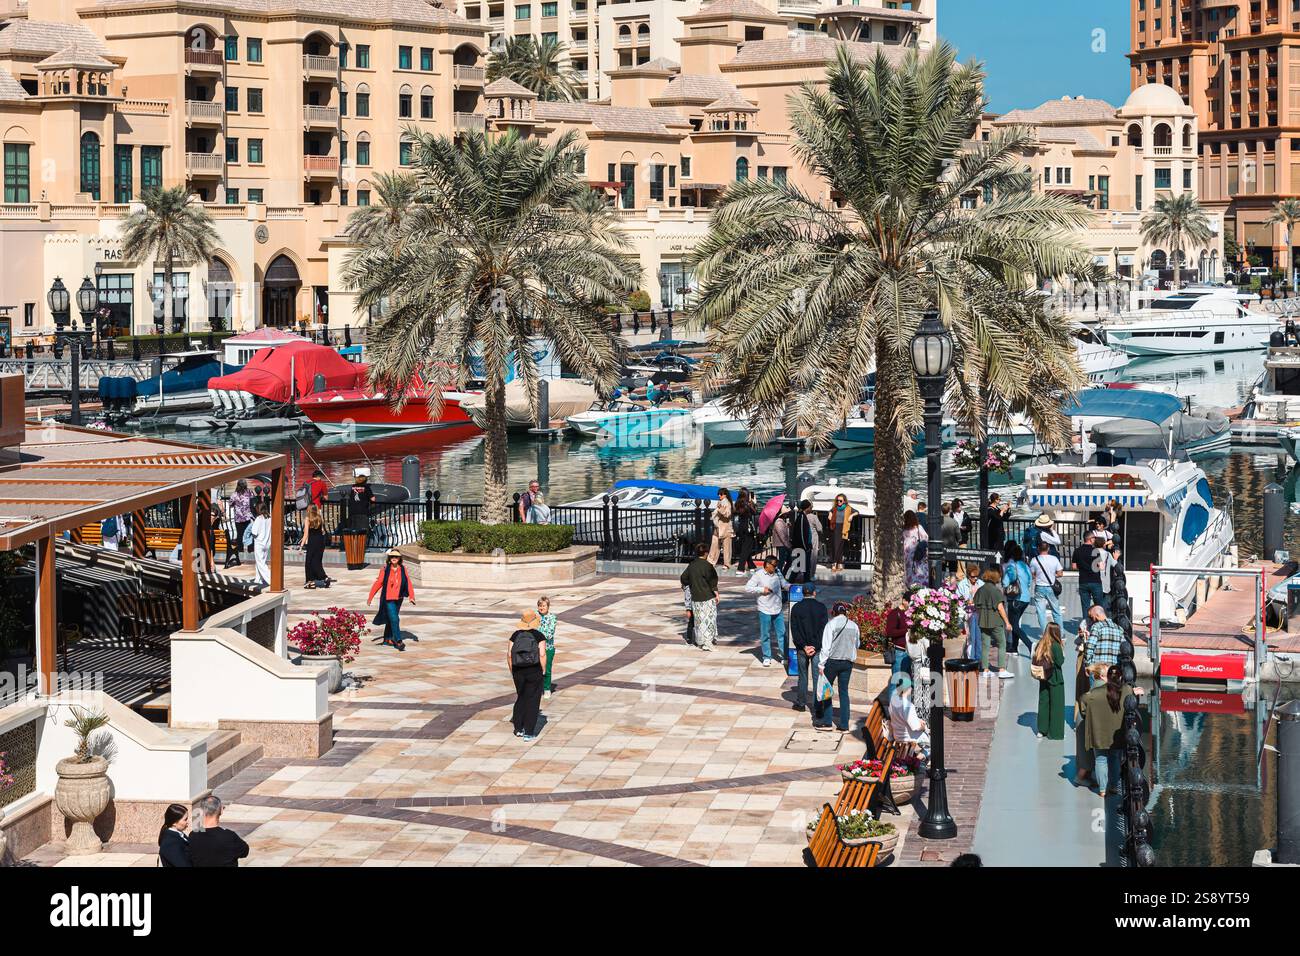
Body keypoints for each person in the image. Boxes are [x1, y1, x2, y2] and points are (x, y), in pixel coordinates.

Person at [1078, 664, 1134, 797]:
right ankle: (1114, 786)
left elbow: (1082, 701)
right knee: (1114, 758)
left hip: (1099, 733)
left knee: (1100, 759)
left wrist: (1088, 715)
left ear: (1107, 678)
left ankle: (1102, 789)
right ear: (1120, 677)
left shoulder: (1095, 693)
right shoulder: (1127, 690)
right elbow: (1131, 700)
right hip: (1117, 734)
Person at [816, 602, 860, 731]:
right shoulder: (854, 626)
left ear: (833, 613)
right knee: (844, 692)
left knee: (827, 690)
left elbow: (826, 647)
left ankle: (827, 721)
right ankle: (844, 724)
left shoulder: (831, 624)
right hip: (847, 662)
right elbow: (856, 644)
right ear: (845, 612)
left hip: (832, 662)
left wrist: (821, 664)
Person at [789, 581, 828, 716]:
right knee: (817, 677)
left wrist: (804, 646)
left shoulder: (796, 608)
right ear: (814, 593)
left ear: (802, 593)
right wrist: (815, 646)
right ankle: (818, 707)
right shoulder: (821, 607)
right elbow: (823, 630)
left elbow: (794, 630)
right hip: (816, 648)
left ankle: (801, 703)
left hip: (802, 648)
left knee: (803, 676)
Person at [745, 554, 790, 667]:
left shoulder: (778, 572)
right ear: (768, 564)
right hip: (764, 609)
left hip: (778, 608)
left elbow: (784, 584)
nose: (776, 567)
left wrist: (793, 588)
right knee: (765, 634)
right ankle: (767, 657)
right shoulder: (758, 575)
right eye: (774, 565)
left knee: (782, 634)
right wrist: (761, 590)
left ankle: (784, 656)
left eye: (777, 565)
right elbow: (747, 587)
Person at [508, 609, 547, 740]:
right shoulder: (539, 636)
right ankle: (529, 732)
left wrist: (512, 670)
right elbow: (542, 654)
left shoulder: (515, 635)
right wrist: (543, 670)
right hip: (534, 670)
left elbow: (509, 655)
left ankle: (518, 728)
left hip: (518, 670)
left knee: (521, 697)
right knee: (533, 700)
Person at [367, 548, 416, 651]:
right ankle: (398, 641)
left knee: (391, 618)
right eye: (392, 556)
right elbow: (378, 583)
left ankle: (387, 638)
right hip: (388, 599)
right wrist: (370, 597)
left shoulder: (402, 569)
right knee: (395, 619)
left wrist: (411, 596)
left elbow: (408, 583)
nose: (394, 558)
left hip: (399, 598)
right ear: (389, 558)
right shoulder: (385, 569)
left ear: (399, 558)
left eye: (396, 557)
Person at [187, 795, 249, 867]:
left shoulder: (193, 835)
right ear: (221, 811)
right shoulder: (229, 836)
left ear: (201, 812)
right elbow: (244, 852)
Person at [680, 542, 720, 652]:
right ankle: (708, 642)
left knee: (699, 621)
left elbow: (684, 578)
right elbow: (713, 581)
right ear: (706, 553)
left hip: (695, 598)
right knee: (709, 620)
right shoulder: (708, 566)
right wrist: (716, 593)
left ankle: (701, 642)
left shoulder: (692, 565)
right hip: (707, 597)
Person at [974, 567, 1013, 678]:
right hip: (995, 622)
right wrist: (1007, 623)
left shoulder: (980, 589)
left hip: (983, 621)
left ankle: (985, 670)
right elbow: (1000, 608)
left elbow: (976, 604)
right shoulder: (995, 591)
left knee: (985, 645)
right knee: (1002, 644)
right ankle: (1001, 669)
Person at [1033, 623, 1066, 740]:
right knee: (1057, 705)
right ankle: (1055, 732)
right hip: (1055, 677)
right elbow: (1060, 662)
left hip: (1043, 677)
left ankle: (1042, 730)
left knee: (1044, 702)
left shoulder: (1040, 644)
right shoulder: (1056, 645)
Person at [888, 674, 930, 757]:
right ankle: (918, 761)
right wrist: (923, 726)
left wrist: (918, 720)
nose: (911, 689)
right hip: (908, 737)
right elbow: (916, 727)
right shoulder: (908, 706)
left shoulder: (893, 701)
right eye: (910, 687)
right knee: (933, 745)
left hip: (897, 735)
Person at [1002, 542, 1033, 656]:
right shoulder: (1025, 566)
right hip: (1025, 598)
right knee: (1015, 624)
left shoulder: (1012, 566)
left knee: (1013, 625)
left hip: (1015, 598)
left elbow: (1006, 581)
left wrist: (1004, 584)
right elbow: (1030, 581)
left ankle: (1030, 645)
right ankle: (1014, 648)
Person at [1079, 604, 1124, 680]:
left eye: (1091, 616)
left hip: (1098, 671)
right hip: (1112, 670)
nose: (1091, 619)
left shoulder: (1097, 627)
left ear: (1096, 614)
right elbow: (1122, 649)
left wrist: (1088, 666)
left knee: (1096, 691)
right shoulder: (1119, 629)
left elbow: (1090, 647)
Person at [1029, 539, 1064, 631]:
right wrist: (1053, 575)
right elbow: (1060, 573)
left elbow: (1032, 574)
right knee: (1056, 611)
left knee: (1041, 612)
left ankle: (1045, 633)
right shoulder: (1054, 559)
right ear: (1048, 548)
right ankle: (1060, 632)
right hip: (1051, 587)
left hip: (1039, 587)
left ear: (1038, 549)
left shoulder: (1034, 560)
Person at [1071, 531, 1106, 619]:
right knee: (1099, 606)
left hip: (1083, 581)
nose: (1095, 539)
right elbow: (1101, 567)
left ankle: (1086, 627)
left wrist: (1083, 567)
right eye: (1094, 538)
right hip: (1095, 581)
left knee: (1085, 607)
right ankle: (1099, 626)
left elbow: (1074, 566)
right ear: (1090, 539)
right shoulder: (1095, 551)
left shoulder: (1077, 551)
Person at [790, 499, 820, 584]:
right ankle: (793, 583)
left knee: (804, 567)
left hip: (802, 547)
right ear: (807, 508)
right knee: (800, 567)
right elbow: (802, 534)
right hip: (802, 548)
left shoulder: (802, 516)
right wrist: (806, 547)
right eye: (810, 507)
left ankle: (806, 583)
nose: (811, 509)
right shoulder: (802, 517)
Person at [957, 562, 982, 661]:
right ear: (968, 575)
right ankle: (971, 659)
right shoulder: (962, 584)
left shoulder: (981, 584)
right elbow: (958, 599)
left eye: (977, 576)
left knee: (979, 638)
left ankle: (979, 659)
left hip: (979, 613)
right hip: (968, 614)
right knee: (970, 638)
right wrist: (966, 602)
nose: (975, 578)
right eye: (973, 576)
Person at [300, 504, 328, 589]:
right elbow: (323, 531)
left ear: (309, 510)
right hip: (320, 541)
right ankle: (324, 578)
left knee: (309, 562)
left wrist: (301, 546)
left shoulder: (307, 519)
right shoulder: (319, 518)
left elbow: (306, 534)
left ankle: (311, 582)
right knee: (317, 561)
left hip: (312, 542)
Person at [827, 492, 855, 574]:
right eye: (837, 501)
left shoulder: (848, 508)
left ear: (844, 501)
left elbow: (857, 511)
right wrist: (830, 513)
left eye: (840, 501)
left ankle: (839, 564)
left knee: (840, 546)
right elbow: (830, 511)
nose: (839, 502)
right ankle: (834, 564)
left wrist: (851, 515)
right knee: (836, 546)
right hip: (835, 528)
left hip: (843, 528)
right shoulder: (835, 508)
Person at [227, 479, 252, 568]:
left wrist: (236, 504)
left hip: (238, 518)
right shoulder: (249, 492)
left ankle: (240, 549)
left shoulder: (234, 494)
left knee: (240, 534)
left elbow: (230, 504)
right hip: (247, 517)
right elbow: (252, 501)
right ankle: (250, 547)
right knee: (248, 533)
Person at [158, 803, 192, 868]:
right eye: (185, 819)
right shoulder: (170, 843)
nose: (187, 822)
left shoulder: (178, 835)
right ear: (174, 823)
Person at [733, 488, 758, 576]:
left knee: (746, 547)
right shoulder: (747, 504)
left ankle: (751, 566)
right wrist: (753, 504)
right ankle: (740, 568)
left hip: (741, 527)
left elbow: (737, 513)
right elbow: (755, 513)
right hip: (748, 528)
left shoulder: (737, 503)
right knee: (746, 548)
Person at [708, 488, 735, 569]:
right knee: (715, 545)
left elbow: (727, 515)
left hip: (725, 528)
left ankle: (726, 564)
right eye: (719, 494)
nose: (719, 495)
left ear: (725, 495)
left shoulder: (727, 503)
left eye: (721, 494)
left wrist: (720, 510)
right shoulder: (721, 502)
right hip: (719, 527)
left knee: (725, 547)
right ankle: (711, 562)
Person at [537, 596, 558, 700]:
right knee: (535, 669)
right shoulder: (535, 616)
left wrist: (538, 635)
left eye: (544, 606)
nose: (541, 608)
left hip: (548, 648)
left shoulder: (552, 617)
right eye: (540, 606)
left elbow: (549, 634)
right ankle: (536, 688)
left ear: (548, 606)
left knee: (547, 669)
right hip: (535, 648)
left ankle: (546, 689)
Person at [902, 510, 929, 588]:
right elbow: (926, 538)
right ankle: (920, 587)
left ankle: (911, 587)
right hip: (917, 553)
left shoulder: (903, 529)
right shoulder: (918, 528)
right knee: (920, 570)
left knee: (909, 571)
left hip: (906, 555)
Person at [885, 596, 910, 676]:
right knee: (896, 683)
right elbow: (890, 632)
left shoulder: (909, 613)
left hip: (910, 652)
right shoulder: (895, 613)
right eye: (909, 602)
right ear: (904, 600)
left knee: (909, 682)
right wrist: (906, 630)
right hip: (900, 652)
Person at [248, 502, 272, 586]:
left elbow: (254, 532)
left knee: (261, 563)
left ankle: (271, 580)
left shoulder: (258, 518)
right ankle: (258, 579)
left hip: (259, 543)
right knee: (261, 561)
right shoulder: (270, 517)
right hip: (267, 543)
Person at [771, 504, 793, 576]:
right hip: (782, 545)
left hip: (782, 544)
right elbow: (782, 536)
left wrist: (786, 526)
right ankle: (780, 576)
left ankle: (781, 575)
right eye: (786, 513)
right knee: (782, 561)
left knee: (784, 561)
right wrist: (788, 545)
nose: (787, 514)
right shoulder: (778, 522)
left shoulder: (781, 521)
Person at [940, 503, 961, 574]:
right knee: (953, 571)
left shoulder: (937, 521)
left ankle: (941, 584)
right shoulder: (954, 522)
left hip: (941, 549)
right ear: (950, 510)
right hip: (952, 549)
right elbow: (959, 537)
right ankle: (953, 585)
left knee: (941, 570)